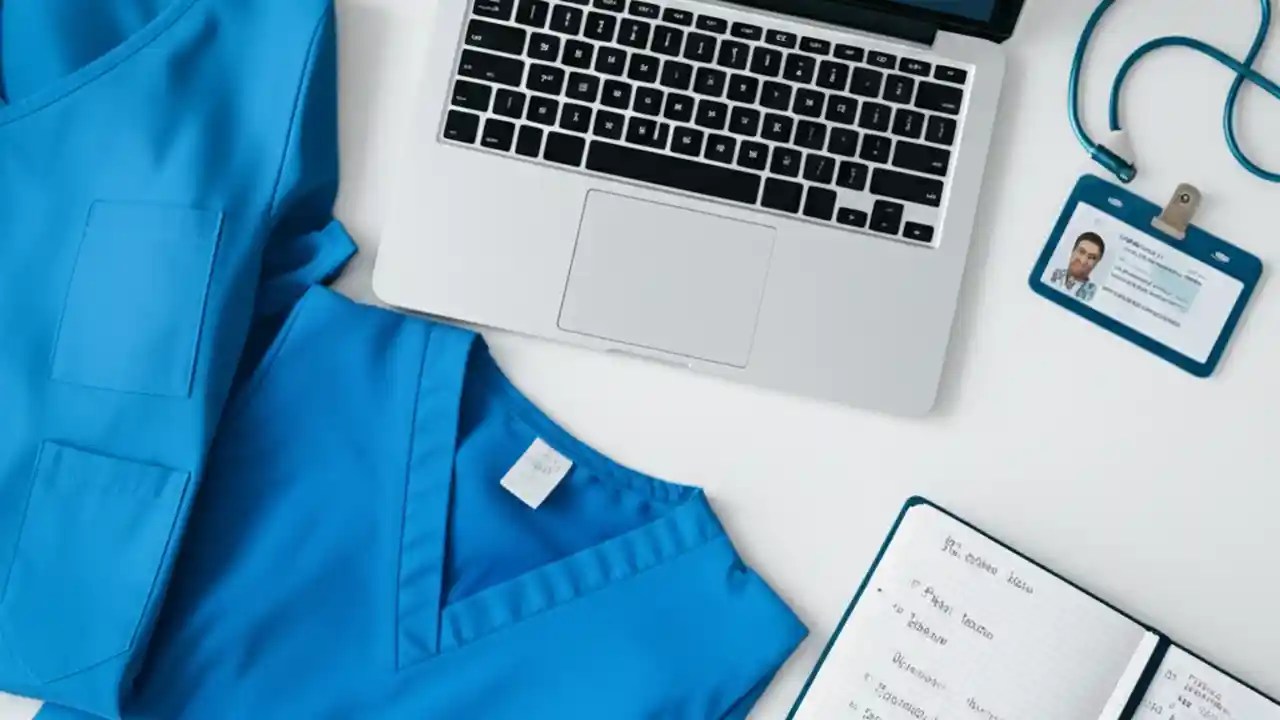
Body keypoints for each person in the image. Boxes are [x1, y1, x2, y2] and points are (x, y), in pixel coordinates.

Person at [1050, 232, 1106, 302]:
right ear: (1073, 251)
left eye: (1091, 257)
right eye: (1081, 252)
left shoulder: (1095, 296)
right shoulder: (1051, 273)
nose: (1083, 261)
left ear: (1097, 262)